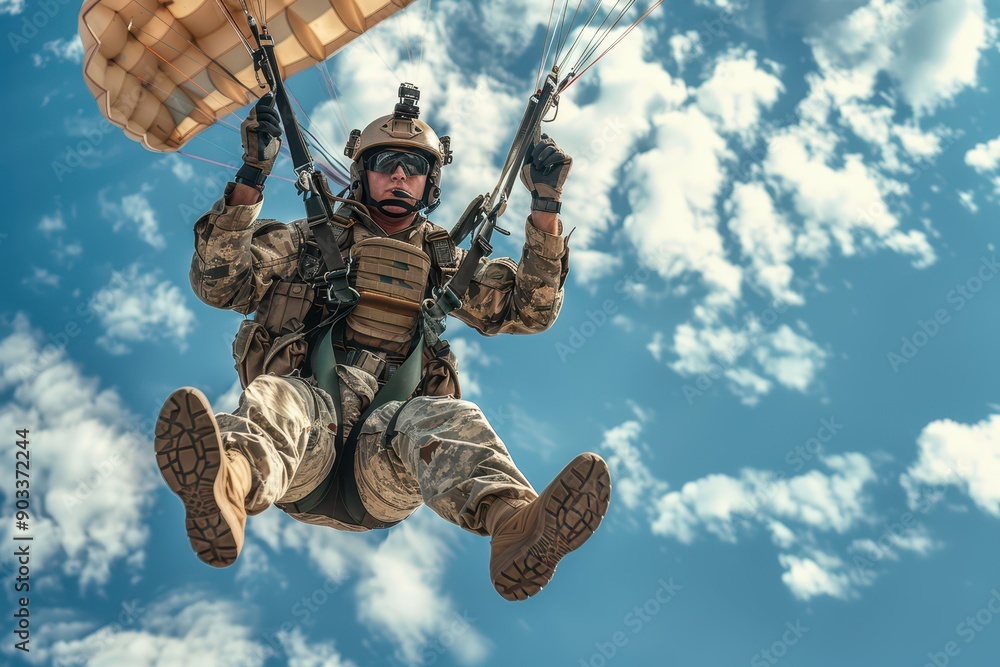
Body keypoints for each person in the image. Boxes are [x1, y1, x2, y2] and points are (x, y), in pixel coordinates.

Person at [154, 86, 611, 601]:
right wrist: (251, 176)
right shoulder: (307, 240)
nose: (400, 175)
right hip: (306, 448)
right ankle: (228, 483)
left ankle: (515, 526)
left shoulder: (446, 265)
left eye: (413, 167)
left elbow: (532, 310)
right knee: (282, 398)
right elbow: (221, 284)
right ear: (361, 174)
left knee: (444, 418)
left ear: (429, 184)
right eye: (387, 162)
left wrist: (546, 207)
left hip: (387, 463)